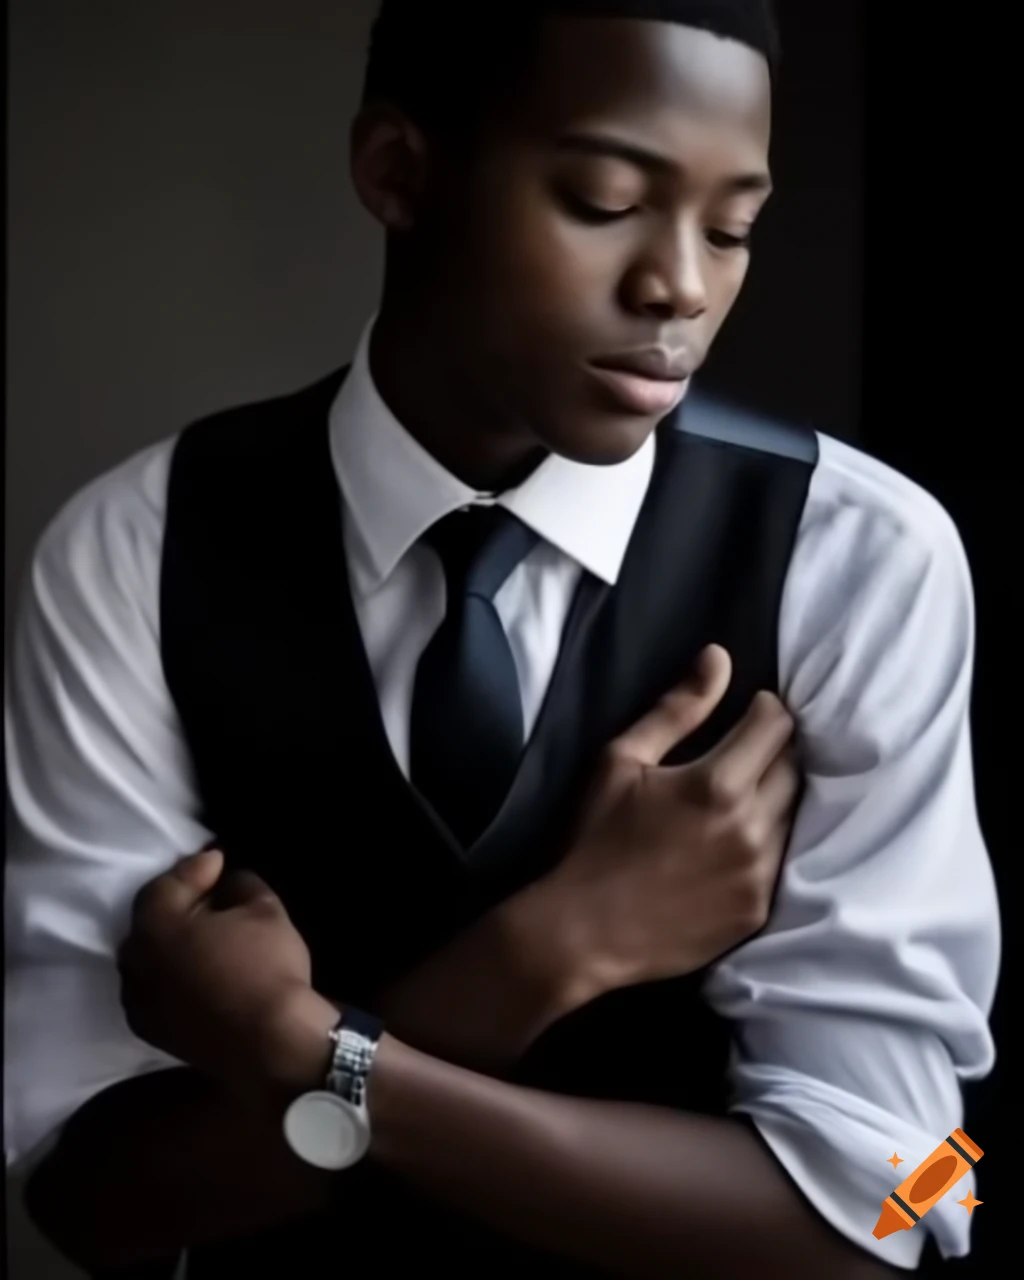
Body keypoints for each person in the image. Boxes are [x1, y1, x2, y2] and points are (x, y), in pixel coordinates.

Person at [4, 2, 998, 1277]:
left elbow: (904, 1203)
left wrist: (305, 1050)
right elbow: (86, 1196)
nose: (681, 286)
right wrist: (554, 946)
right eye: (601, 200)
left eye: (733, 226)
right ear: (397, 173)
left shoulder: (866, 557)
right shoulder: (133, 546)